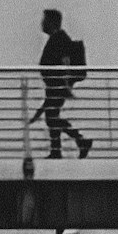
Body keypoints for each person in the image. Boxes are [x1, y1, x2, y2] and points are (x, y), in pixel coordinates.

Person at [38, 8, 90, 161]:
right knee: (52, 117)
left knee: (51, 118)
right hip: (55, 86)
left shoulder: (59, 39)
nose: (42, 23)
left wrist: (65, 85)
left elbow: (65, 62)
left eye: (44, 20)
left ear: (51, 22)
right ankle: (60, 149)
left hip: (57, 86)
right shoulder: (57, 38)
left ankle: (79, 141)